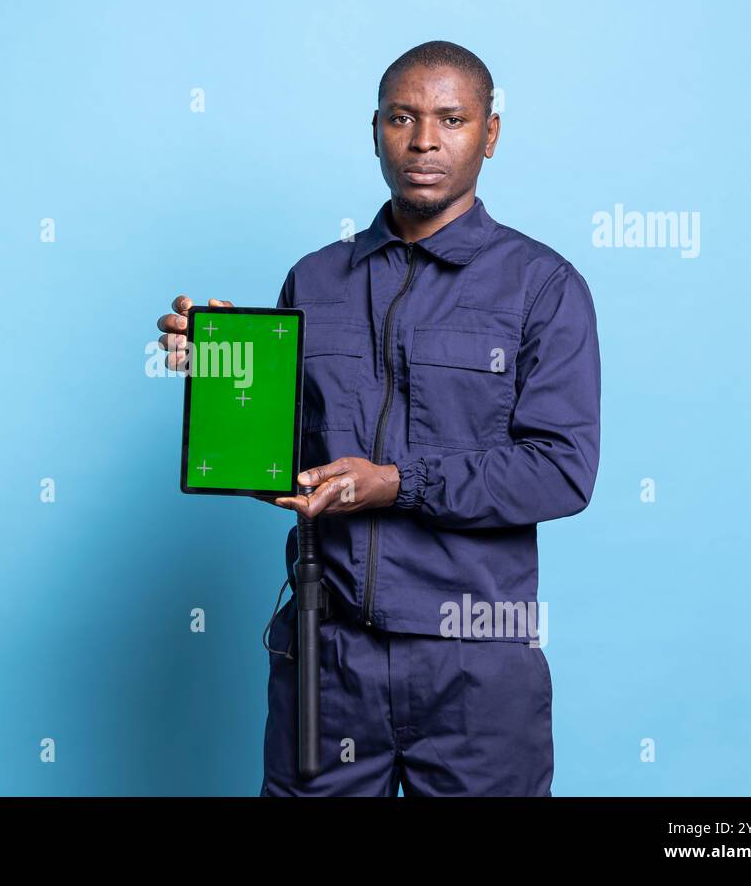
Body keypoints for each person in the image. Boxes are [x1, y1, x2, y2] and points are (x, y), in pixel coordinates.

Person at [155, 41, 600, 796]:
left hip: (476, 663)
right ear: (376, 130)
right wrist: (232, 372)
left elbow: (559, 472)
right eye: (403, 117)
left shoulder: (544, 287)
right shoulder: (314, 279)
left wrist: (395, 483)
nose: (424, 141)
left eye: (451, 119)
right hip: (327, 662)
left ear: (489, 134)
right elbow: (288, 469)